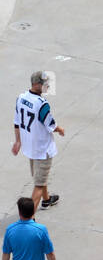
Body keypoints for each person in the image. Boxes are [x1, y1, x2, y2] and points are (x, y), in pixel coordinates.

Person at [13, 70, 64, 211]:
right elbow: (50, 125)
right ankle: (29, 219)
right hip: (42, 149)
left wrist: (18, 141)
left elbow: (16, 122)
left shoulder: (21, 98)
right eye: (44, 84)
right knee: (39, 185)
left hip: (29, 147)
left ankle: (46, 200)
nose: (47, 86)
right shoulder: (41, 104)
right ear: (36, 84)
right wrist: (60, 129)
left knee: (40, 177)